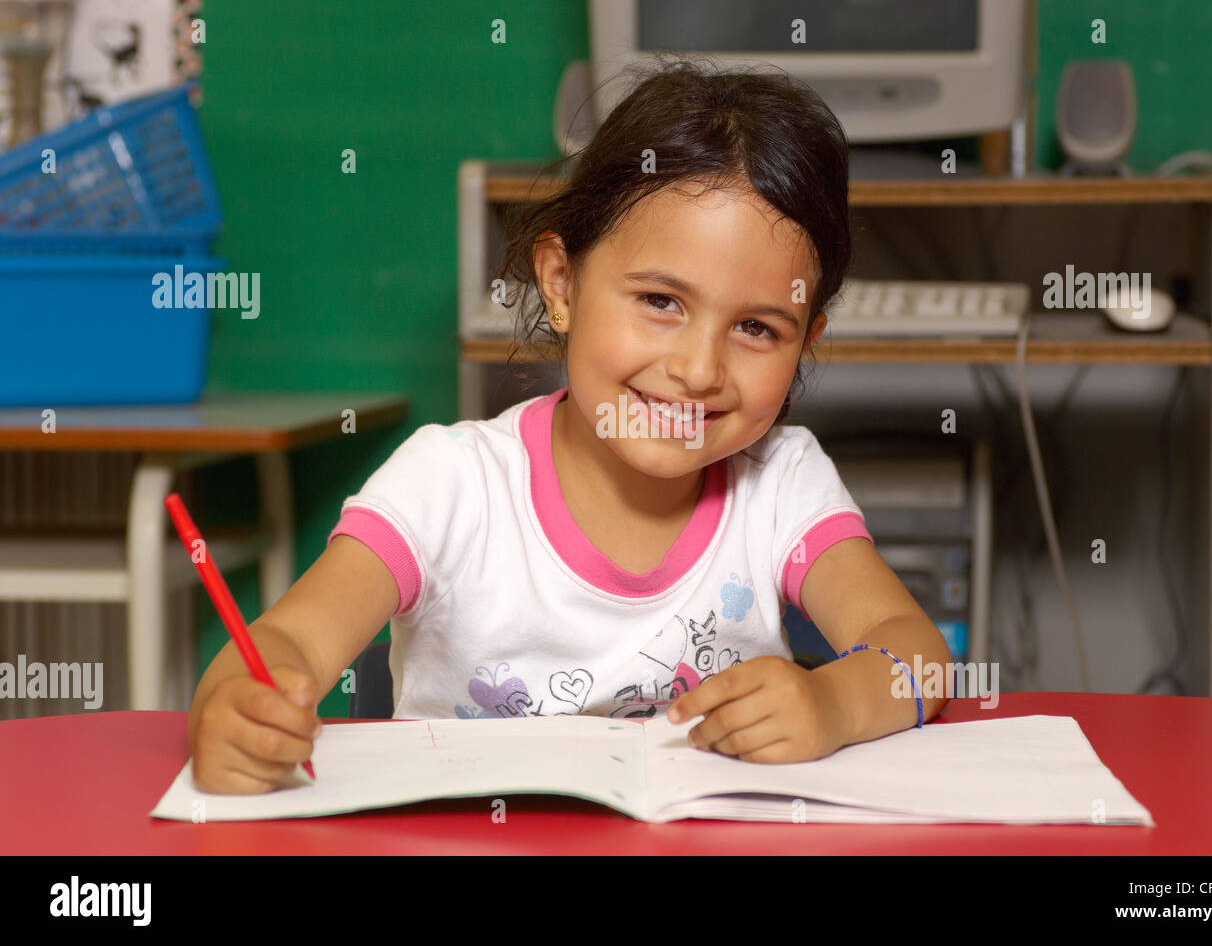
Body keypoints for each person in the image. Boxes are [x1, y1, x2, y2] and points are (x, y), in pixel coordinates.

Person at [187, 59, 951, 794]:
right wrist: (238, 711)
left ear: (805, 342)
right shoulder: (448, 485)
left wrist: (832, 704)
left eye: (757, 326)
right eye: (660, 301)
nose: (699, 368)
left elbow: (914, 650)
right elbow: (283, 645)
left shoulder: (783, 481)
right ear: (560, 285)